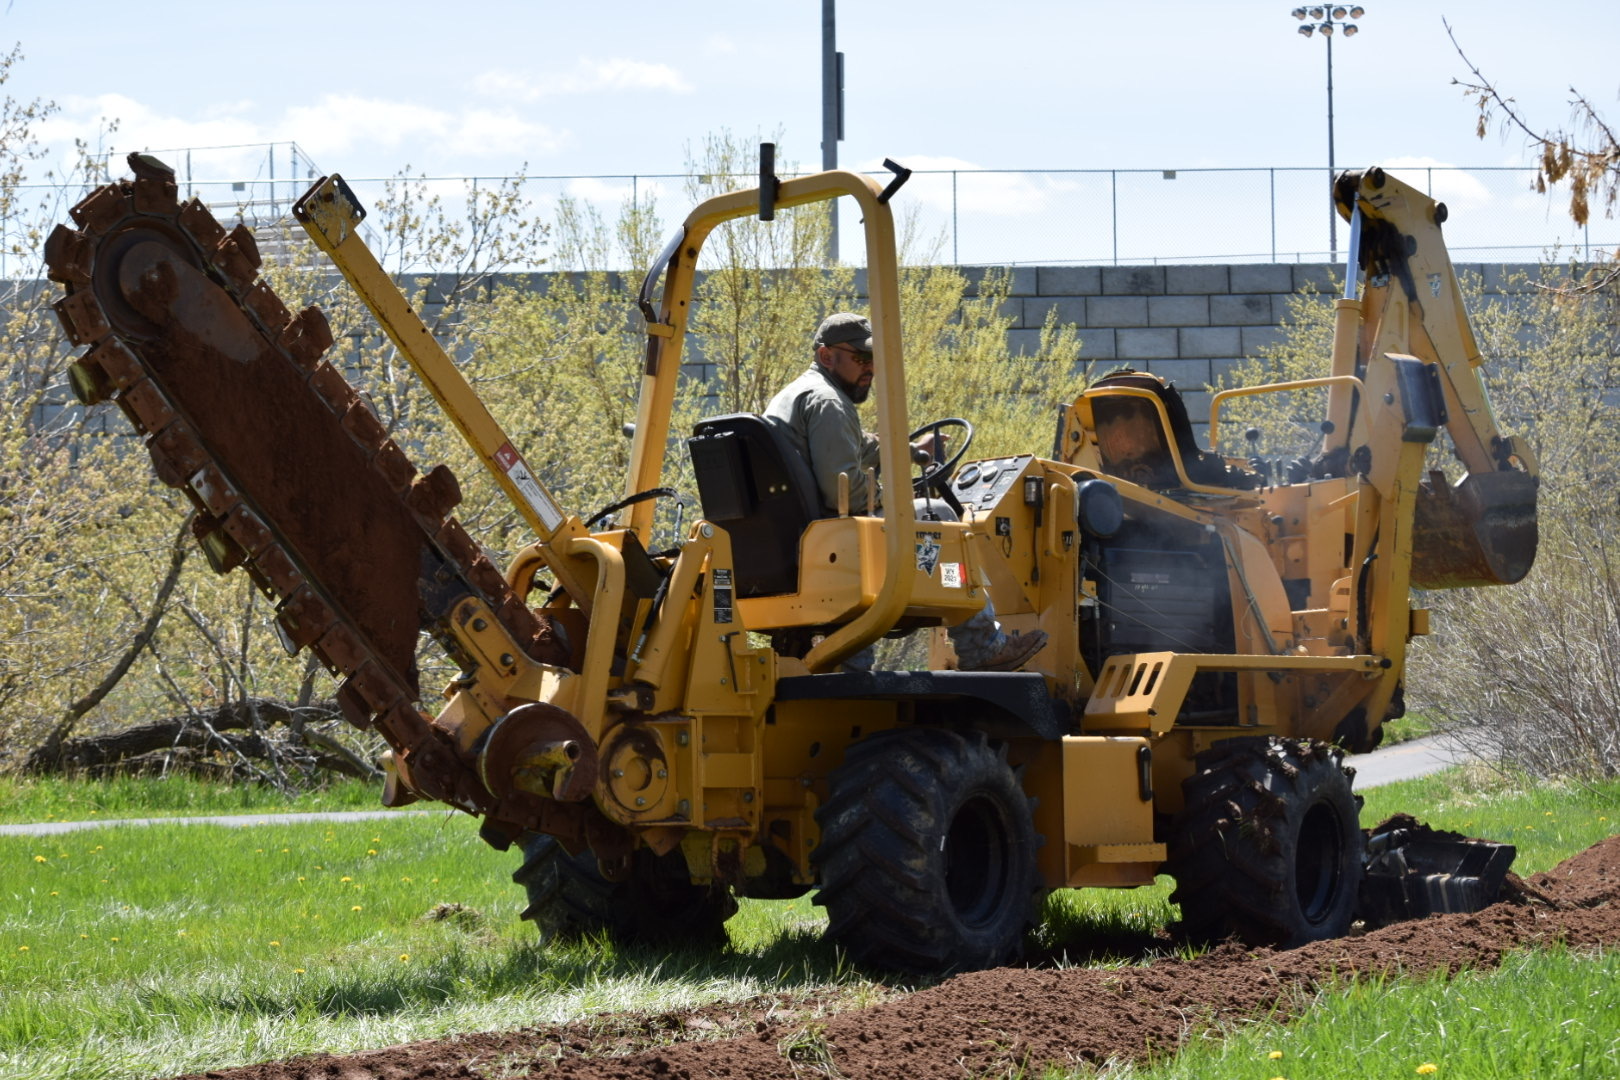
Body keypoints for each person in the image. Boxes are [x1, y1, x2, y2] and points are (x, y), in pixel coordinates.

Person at [763, 312, 1047, 673]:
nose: (871, 370)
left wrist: (911, 450)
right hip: (833, 537)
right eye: (862, 359)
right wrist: (889, 496)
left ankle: (849, 666)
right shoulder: (829, 403)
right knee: (941, 516)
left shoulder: (799, 395)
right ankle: (981, 646)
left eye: (875, 361)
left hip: (803, 539)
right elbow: (842, 492)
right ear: (826, 356)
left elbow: (856, 445)